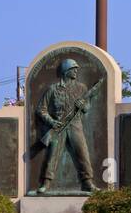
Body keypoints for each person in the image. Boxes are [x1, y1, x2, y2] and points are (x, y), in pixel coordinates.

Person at [36, 59, 98, 193]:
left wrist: (83, 106)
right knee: (52, 156)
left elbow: (87, 108)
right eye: (73, 68)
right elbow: (41, 109)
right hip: (58, 126)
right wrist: (52, 122)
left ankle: (88, 183)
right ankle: (45, 183)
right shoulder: (53, 89)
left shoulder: (81, 88)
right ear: (66, 71)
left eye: (77, 68)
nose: (76, 71)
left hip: (75, 125)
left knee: (83, 154)